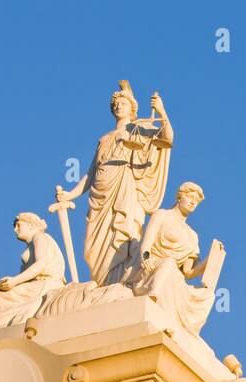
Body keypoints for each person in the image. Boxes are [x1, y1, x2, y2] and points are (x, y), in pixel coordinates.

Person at [55, 81, 173, 286]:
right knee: (91, 249)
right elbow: (90, 174)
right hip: (100, 193)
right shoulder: (105, 139)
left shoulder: (140, 129)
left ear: (132, 108)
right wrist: (70, 194)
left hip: (125, 188)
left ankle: (124, 281)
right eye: (116, 104)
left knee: (123, 234)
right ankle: (103, 285)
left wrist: (162, 112)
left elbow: (167, 137)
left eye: (123, 103)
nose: (119, 106)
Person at [129, 181, 223, 336]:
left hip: (174, 277)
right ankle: (153, 296)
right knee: (169, 262)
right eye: (190, 196)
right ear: (180, 196)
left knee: (208, 295)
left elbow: (189, 272)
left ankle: (178, 324)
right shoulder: (162, 215)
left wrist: (210, 260)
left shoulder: (192, 236)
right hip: (152, 268)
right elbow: (146, 243)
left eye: (197, 201)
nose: (193, 202)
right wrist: (146, 258)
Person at [0, 213, 66, 330]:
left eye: (18, 225)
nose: (15, 229)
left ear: (30, 225)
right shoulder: (29, 246)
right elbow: (23, 278)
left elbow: (41, 264)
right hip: (34, 285)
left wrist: (14, 281)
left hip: (46, 284)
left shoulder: (40, 237)